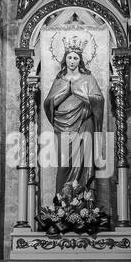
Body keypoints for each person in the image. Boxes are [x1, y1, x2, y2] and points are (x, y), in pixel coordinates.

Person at [43, 46, 105, 193]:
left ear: (80, 60)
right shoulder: (60, 80)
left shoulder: (88, 79)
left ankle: (83, 204)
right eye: (69, 57)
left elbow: (99, 100)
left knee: (83, 165)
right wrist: (65, 93)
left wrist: (76, 92)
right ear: (65, 59)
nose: (72, 61)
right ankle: (61, 205)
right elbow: (48, 103)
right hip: (62, 127)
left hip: (84, 124)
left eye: (75, 58)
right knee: (63, 165)